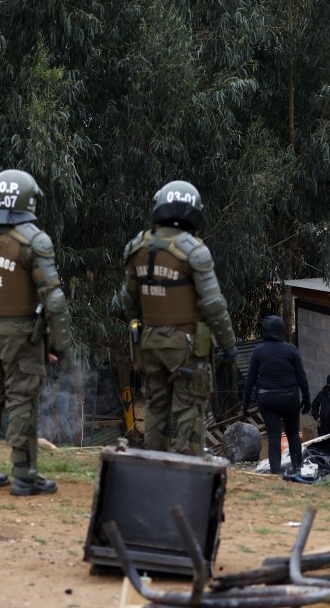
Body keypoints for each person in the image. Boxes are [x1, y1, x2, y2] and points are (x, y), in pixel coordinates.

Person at [0, 169, 72, 495]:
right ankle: (24, 475)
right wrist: (58, 343)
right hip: (22, 335)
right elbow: (54, 298)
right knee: (23, 402)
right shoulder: (33, 240)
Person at [120, 180, 237, 455]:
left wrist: (140, 325)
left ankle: (153, 466)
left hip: (148, 343)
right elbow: (213, 304)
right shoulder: (194, 250)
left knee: (156, 408)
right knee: (189, 412)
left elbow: (128, 299)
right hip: (186, 347)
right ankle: (187, 470)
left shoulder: (137, 246)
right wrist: (228, 345)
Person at [242, 315, 309, 477]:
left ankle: (275, 472)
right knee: (293, 434)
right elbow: (302, 377)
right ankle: (297, 468)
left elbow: (250, 378)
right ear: (281, 331)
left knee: (273, 436)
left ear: (265, 331)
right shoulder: (291, 349)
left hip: (267, 399)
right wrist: (307, 399)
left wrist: (245, 403)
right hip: (290, 398)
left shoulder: (258, 351)